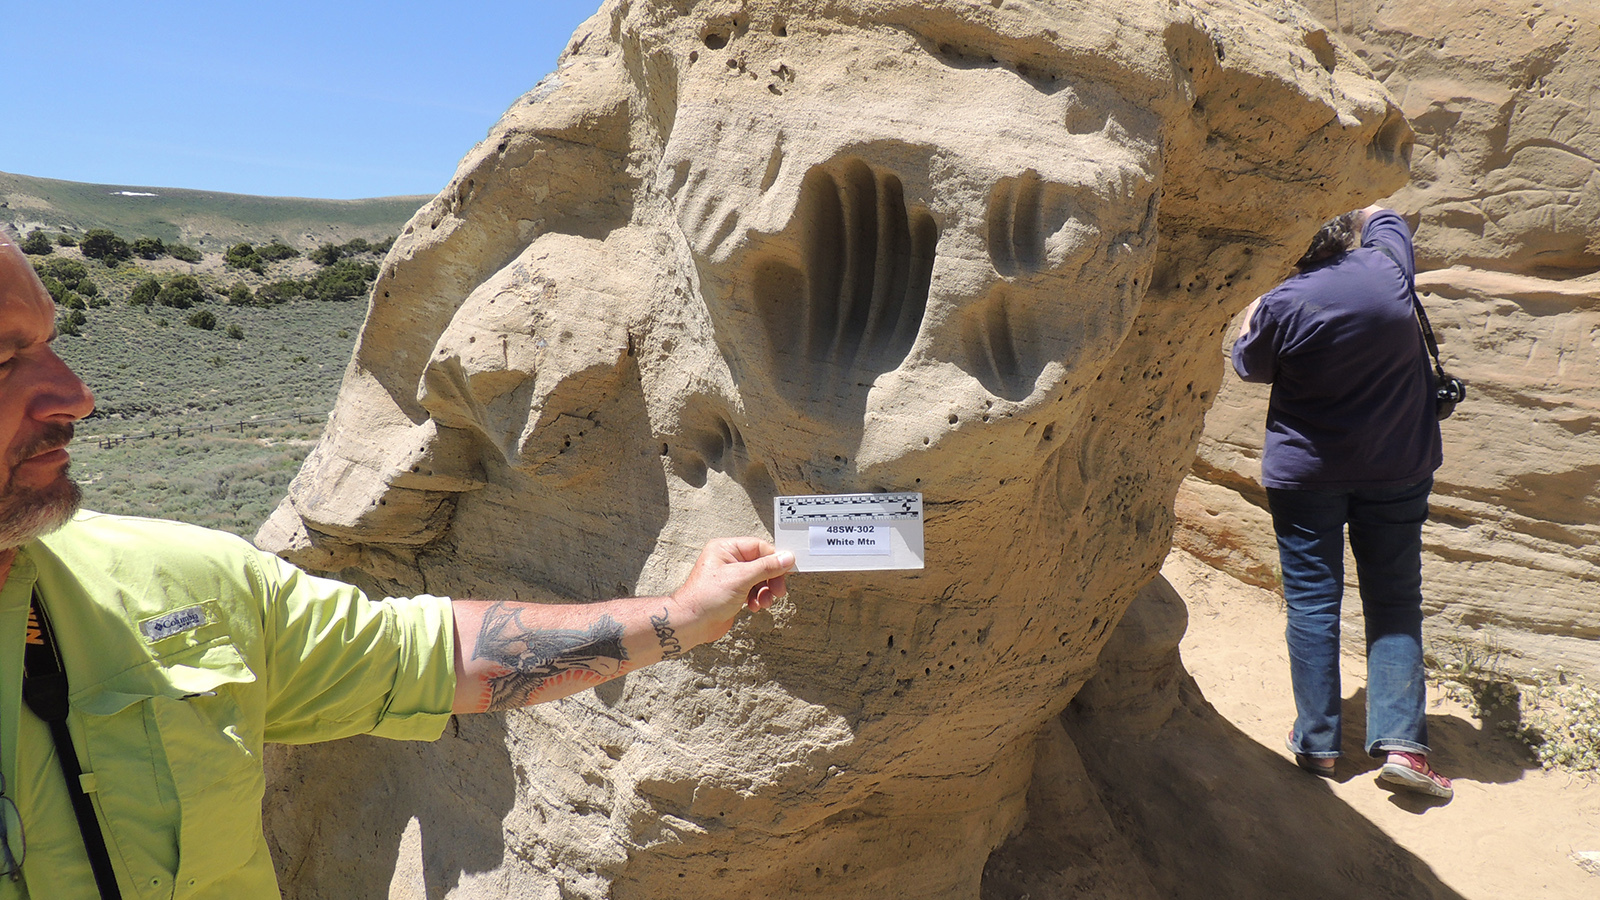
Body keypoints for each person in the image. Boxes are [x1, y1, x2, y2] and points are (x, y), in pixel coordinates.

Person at [0, 232, 797, 898]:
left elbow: (434, 657)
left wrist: (680, 616)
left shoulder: (180, 580)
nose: (76, 394)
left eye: (52, 345)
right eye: (5, 361)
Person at [1231, 205, 1452, 800]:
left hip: (1309, 475)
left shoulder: (1284, 301)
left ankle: (1319, 745)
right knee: (1395, 600)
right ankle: (1403, 746)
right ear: (1343, 235)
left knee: (1311, 603)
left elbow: (1250, 367)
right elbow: (1388, 219)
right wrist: (1365, 205)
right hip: (1398, 465)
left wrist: (1253, 315)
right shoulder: (1386, 269)